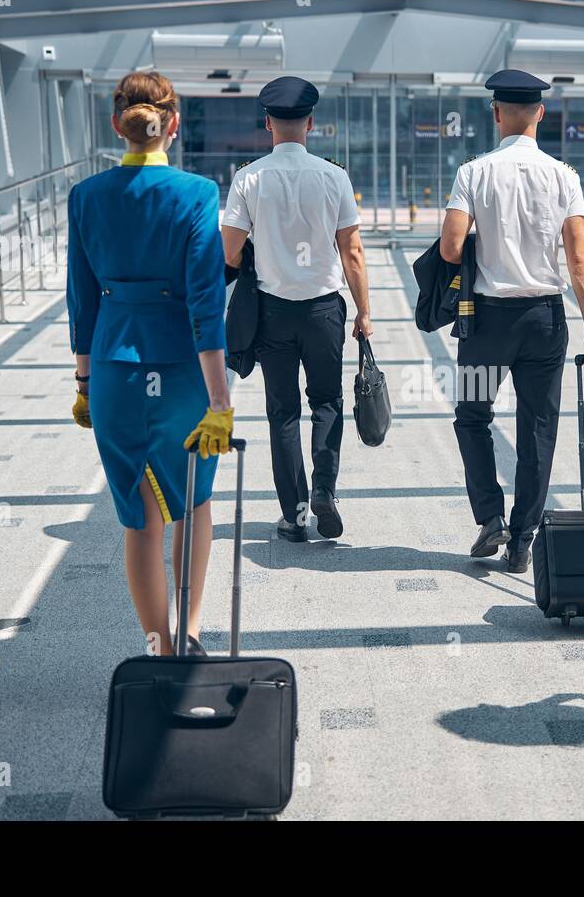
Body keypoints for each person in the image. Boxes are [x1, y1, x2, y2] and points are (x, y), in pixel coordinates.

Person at [68, 71, 232, 657]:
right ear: (174, 124)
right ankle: (189, 632)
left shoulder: (86, 197)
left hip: (115, 368)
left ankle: (158, 647)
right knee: (193, 499)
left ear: (117, 124)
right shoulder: (197, 194)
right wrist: (220, 403)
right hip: (184, 369)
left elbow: (82, 302)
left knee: (139, 513)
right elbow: (206, 306)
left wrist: (85, 384)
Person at [439, 69, 584, 574]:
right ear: (541, 113)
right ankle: (523, 539)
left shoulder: (473, 173)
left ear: (496, 113)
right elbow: (579, 259)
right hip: (544, 321)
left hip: (486, 324)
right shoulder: (564, 176)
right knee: (538, 429)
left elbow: (451, 248)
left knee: (472, 416)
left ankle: (490, 517)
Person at [220, 76, 370, 542]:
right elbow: (353, 252)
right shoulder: (334, 176)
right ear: (310, 122)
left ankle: (296, 511)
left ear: (268, 123)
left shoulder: (248, 178)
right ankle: (325, 488)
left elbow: (228, 252)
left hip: (272, 312)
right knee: (326, 402)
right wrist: (364, 312)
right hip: (325, 310)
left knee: (282, 411)